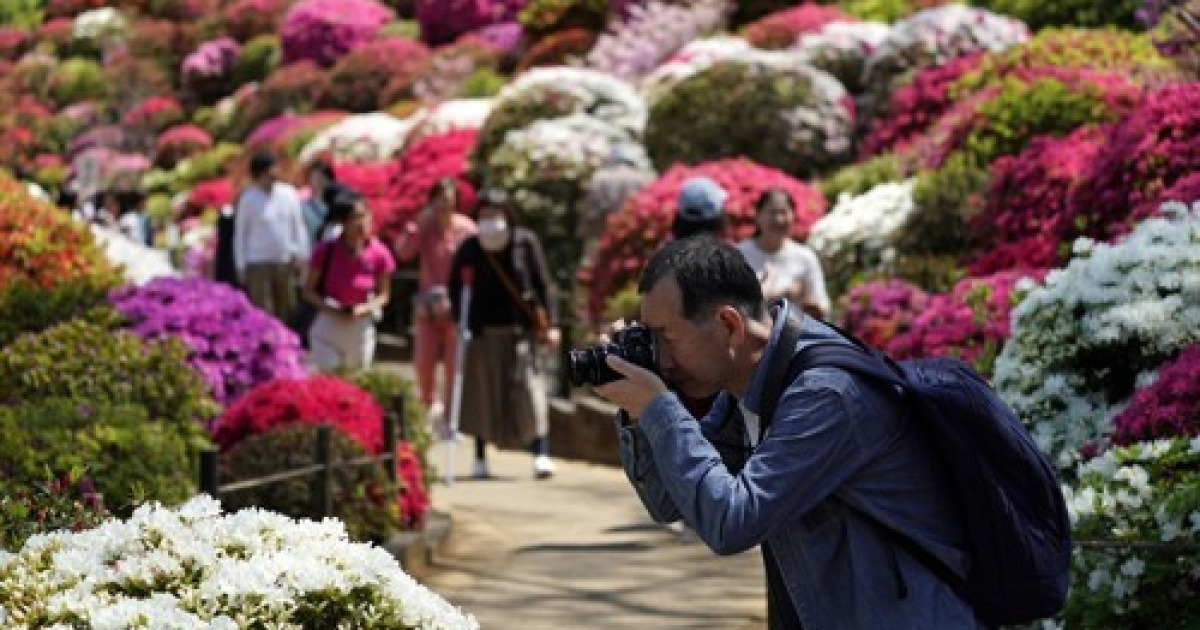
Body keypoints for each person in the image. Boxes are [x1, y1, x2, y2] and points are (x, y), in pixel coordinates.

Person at [594, 236, 981, 629]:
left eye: (667, 338)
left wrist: (660, 409)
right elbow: (670, 502)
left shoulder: (826, 395)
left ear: (729, 325)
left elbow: (731, 522)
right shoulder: (751, 383)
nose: (661, 359)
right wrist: (638, 412)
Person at [447, 188, 558, 479]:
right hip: (484, 334)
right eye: (483, 216)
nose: (489, 221)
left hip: (520, 332)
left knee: (530, 392)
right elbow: (456, 288)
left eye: (495, 215)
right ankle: (480, 457)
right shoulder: (471, 248)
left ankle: (541, 453)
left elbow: (543, 284)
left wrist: (552, 323)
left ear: (508, 216)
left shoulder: (525, 243)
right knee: (484, 395)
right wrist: (462, 320)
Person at [393, 177, 477, 429]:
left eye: (448, 200)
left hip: (456, 306)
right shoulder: (424, 227)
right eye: (439, 200)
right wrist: (418, 224)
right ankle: (429, 404)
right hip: (427, 307)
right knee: (424, 362)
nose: (443, 205)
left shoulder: (466, 229)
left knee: (455, 365)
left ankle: (452, 418)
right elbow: (403, 252)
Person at [303, 187, 395, 372]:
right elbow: (308, 291)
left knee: (357, 378)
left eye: (365, 216)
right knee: (331, 375)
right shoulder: (325, 251)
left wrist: (363, 309)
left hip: (360, 325)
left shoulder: (379, 254)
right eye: (355, 218)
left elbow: (384, 295)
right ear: (343, 222)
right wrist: (332, 309)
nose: (362, 223)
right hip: (329, 324)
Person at [233, 152, 310, 321]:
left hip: (284, 262)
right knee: (263, 312)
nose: (273, 173)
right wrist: (241, 265)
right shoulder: (248, 199)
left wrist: (302, 256)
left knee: (288, 310)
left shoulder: (289, 194)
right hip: (258, 264)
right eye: (269, 170)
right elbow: (241, 234)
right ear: (259, 174)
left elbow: (298, 226)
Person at [737, 188, 832, 319]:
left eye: (784, 212)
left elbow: (822, 305)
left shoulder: (805, 257)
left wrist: (804, 304)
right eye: (772, 212)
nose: (779, 219)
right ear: (757, 216)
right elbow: (733, 306)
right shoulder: (739, 256)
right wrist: (778, 295)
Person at [301, 160, 336, 243]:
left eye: (322, 177)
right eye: (315, 177)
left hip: (335, 252)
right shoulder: (303, 207)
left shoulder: (338, 205)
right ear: (309, 181)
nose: (319, 181)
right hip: (313, 251)